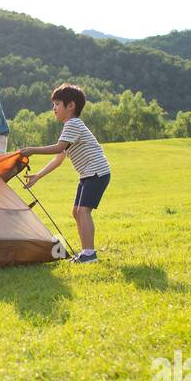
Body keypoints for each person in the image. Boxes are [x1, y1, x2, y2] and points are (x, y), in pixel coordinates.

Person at [18, 83, 111, 264]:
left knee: (83, 211)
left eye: (57, 104)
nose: (54, 109)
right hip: (88, 175)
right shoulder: (70, 127)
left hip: (96, 173)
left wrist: (32, 150)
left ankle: (89, 254)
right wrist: (37, 176)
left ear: (71, 106)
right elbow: (59, 159)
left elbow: (58, 148)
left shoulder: (73, 124)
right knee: (77, 212)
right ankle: (85, 252)